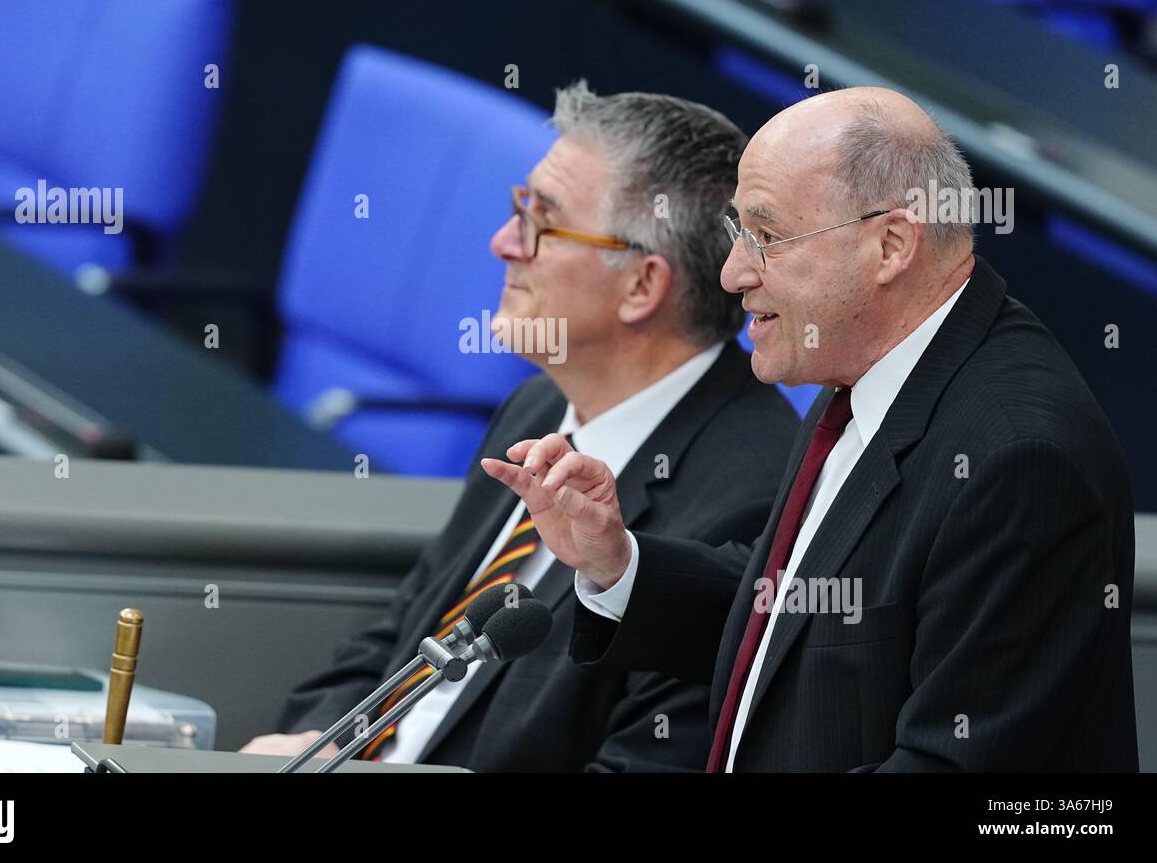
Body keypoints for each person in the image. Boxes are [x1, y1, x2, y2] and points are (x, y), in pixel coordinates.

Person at [483, 86, 1138, 771]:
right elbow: (789, 619)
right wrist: (617, 562)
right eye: (740, 233)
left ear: (889, 245)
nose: (734, 273)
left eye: (766, 238)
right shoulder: (864, 366)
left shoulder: (1021, 460)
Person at [241, 82, 800, 770]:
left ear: (641, 287)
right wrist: (310, 747)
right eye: (518, 209)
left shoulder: (756, 497)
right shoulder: (538, 406)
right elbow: (397, 634)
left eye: (542, 220)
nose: (503, 242)